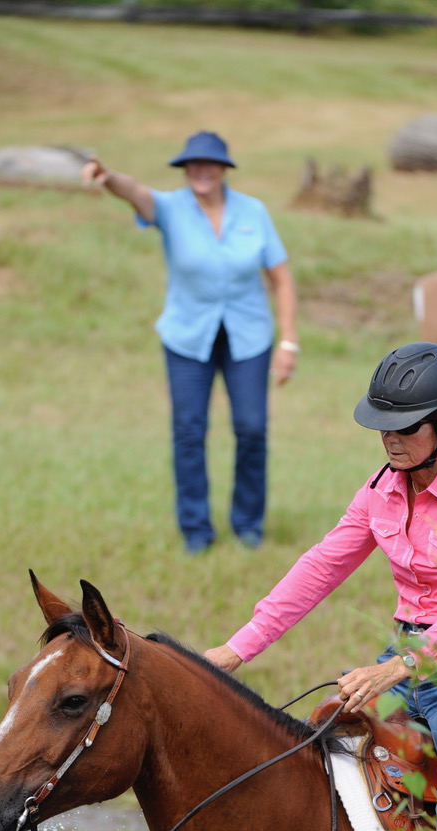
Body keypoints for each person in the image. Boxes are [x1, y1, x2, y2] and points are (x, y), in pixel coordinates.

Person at [205, 341, 437, 831]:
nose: (390, 440)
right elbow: (319, 569)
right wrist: (238, 651)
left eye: (405, 427)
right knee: (306, 764)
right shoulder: (379, 490)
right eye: (383, 427)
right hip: (398, 659)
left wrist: (395, 668)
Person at [82, 131, 298, 553]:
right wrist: (108, 177)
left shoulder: (253, 212)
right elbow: (135, 193)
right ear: (185, 169)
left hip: (248, 336)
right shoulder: (170, 207)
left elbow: (281, 277)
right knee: (188, 430)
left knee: (252, 428)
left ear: (223, 168)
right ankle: (196, 530)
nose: (201, 170)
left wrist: (289, 341)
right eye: (193, 164)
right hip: (187, 337)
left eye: (210, 163)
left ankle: (248, 524)